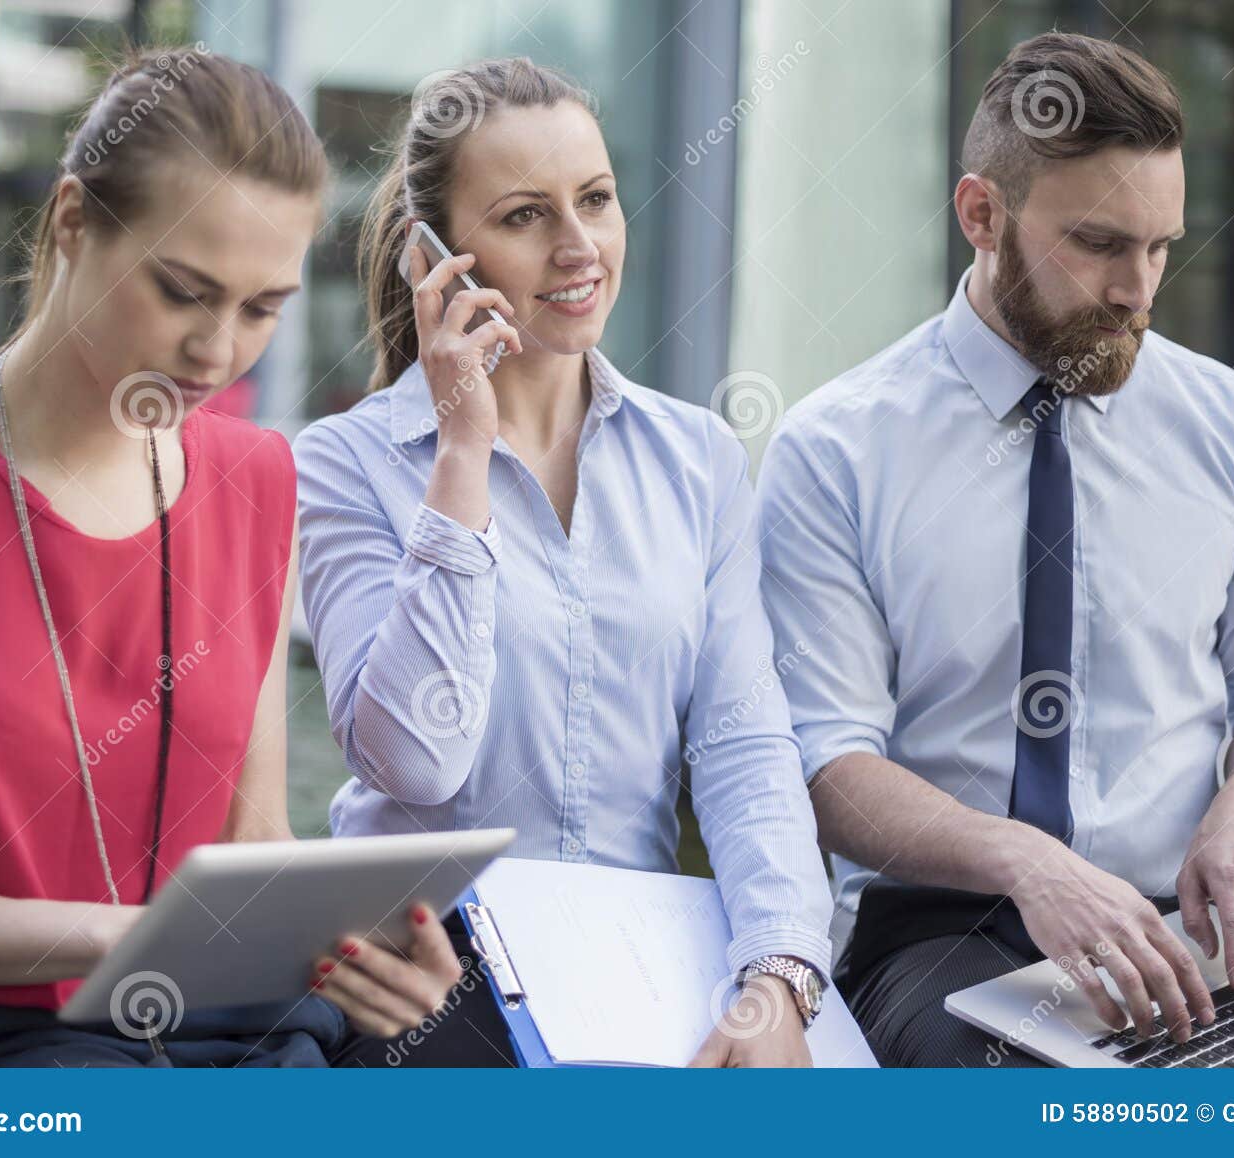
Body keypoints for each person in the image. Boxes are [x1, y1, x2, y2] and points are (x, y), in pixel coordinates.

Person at [0, 47, 460, 1068]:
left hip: (217, 1028)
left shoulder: (255, 479)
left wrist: (359, 952)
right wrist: (106, 937)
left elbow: (249, 843)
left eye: (262, 307)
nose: (218, 350)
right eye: (184, 291)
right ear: (72, 221)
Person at [756, 32, 1234, 1067]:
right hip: (946, 932)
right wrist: (1030, 865)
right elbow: (826, 765)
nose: (1137, 291)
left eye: (1160, 247)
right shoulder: (836, 449)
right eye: (1100, 243)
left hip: (1185, 929)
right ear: (981, 214)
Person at [294, 58, 834, 1067]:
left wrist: (777, 976)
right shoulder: (344, 463)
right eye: (525, 215)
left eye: (595, 199)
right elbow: (414, 757)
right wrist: (461, 451)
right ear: (436, 258)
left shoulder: (699, 461)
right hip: (424, 978)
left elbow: (745, 748)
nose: (579, 246)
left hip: (635, 967)